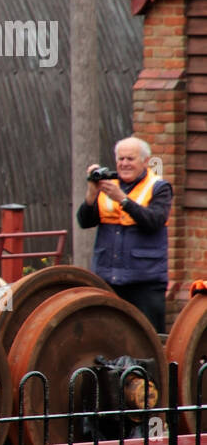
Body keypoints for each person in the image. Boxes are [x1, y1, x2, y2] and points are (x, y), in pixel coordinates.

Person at [76, 136, 173, 332]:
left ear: (145, 161)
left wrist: (122, 199)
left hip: (145, 281)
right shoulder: (107, 186)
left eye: (130, 159)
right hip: (108, 278)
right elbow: (84, 221)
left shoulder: (159, 188)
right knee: (106, 336)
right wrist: (91, 193)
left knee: (149, 337)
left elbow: (154, 221)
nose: (124, 164)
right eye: (121, 159)